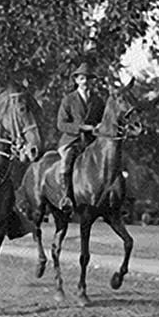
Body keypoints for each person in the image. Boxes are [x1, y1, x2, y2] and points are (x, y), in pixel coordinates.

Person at [56, 61, 105, 212]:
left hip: (92, 141)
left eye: (89, 79)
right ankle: (66, 197)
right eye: (83, 79)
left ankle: (108, 198)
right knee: (67, 161)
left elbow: (103, 120)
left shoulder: (98, 100)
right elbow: (61, 124)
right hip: (73, 140)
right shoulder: (68, 99)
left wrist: (99, 127)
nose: (86, 82)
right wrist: (80, 127)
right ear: (77, 80)